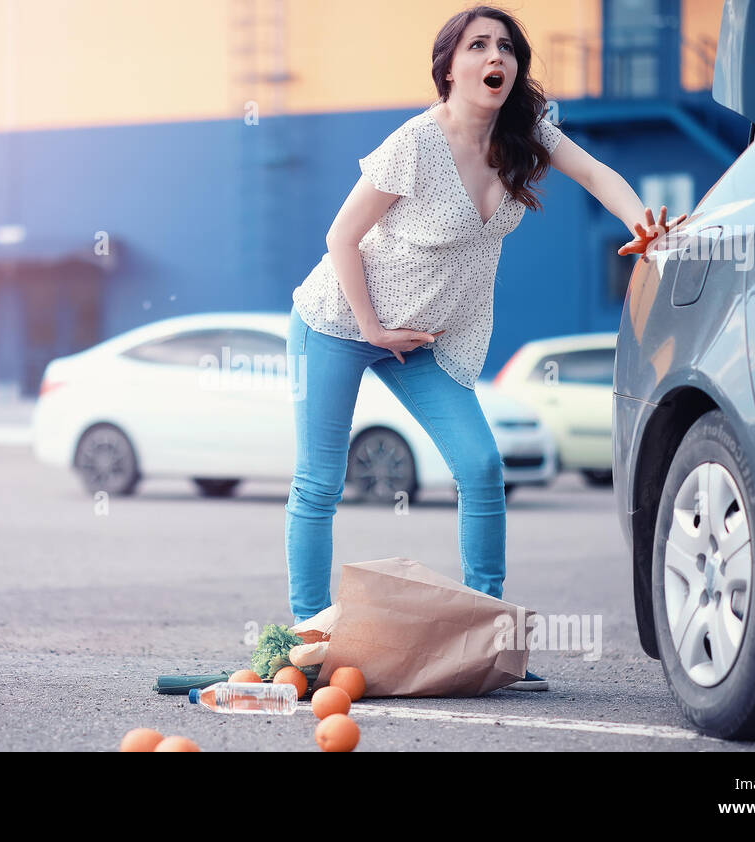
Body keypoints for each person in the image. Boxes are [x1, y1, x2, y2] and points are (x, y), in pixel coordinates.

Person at [284, 6, 686, 691]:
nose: (494, 55)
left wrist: (642, 223)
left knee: (480, 467)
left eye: (505, 46)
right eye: (477, 44)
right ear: (450, 68)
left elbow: (597, 176)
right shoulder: (414, 142)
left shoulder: (526, 134)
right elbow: (339, 239)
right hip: (340, 320)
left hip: (425, 336)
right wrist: (374, 329)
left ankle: (494, 646)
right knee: (319, 483)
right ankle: (308, 638)